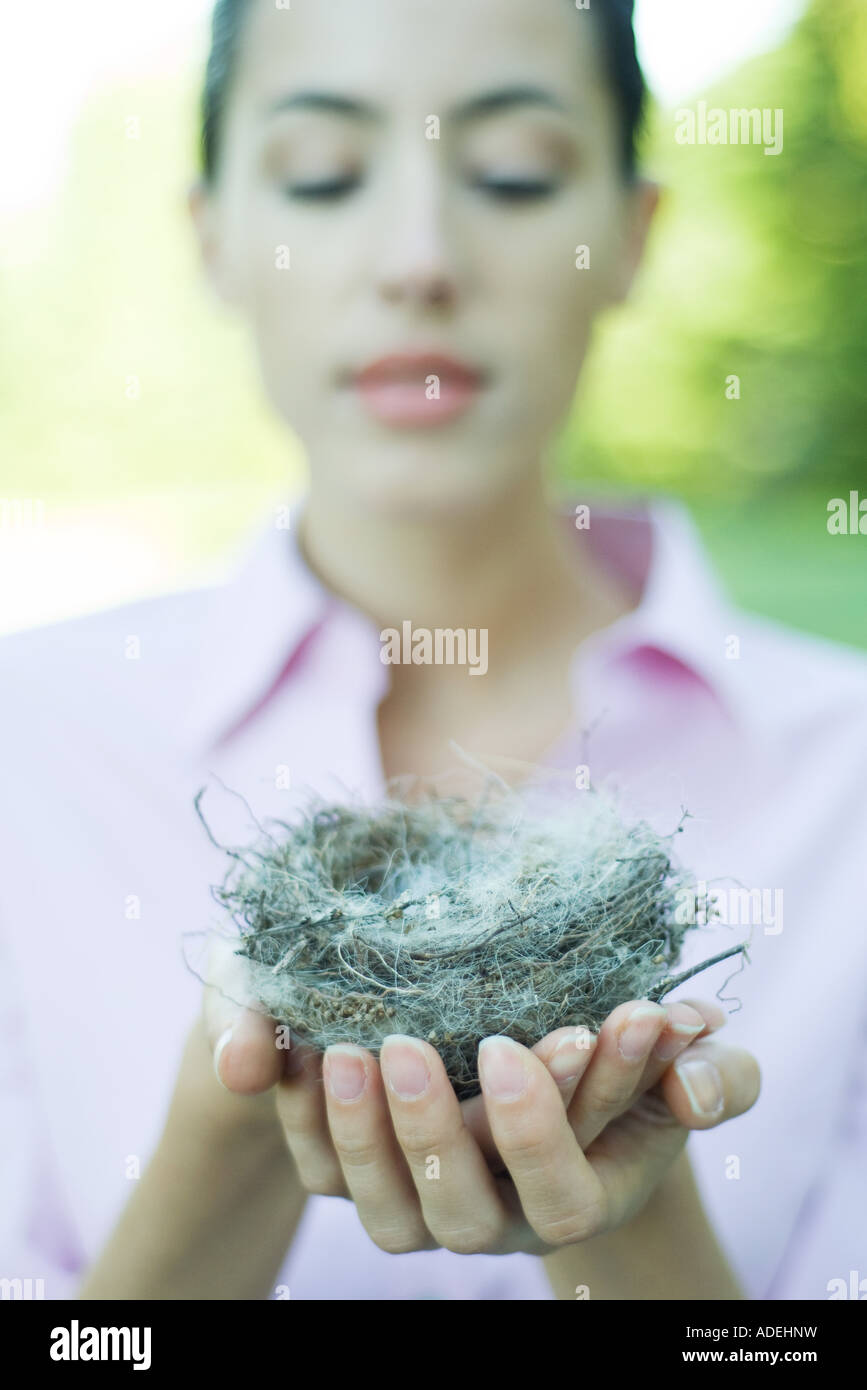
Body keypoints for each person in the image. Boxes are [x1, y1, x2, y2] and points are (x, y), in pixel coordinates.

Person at [1, 0, 864, 1302]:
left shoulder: (847, 775)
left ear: (631, 237)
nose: (418, 257)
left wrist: (632, 1215)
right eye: (323, 174)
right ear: (212, 235)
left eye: (512, 172)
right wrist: (223, 1153)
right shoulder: (29, 742)